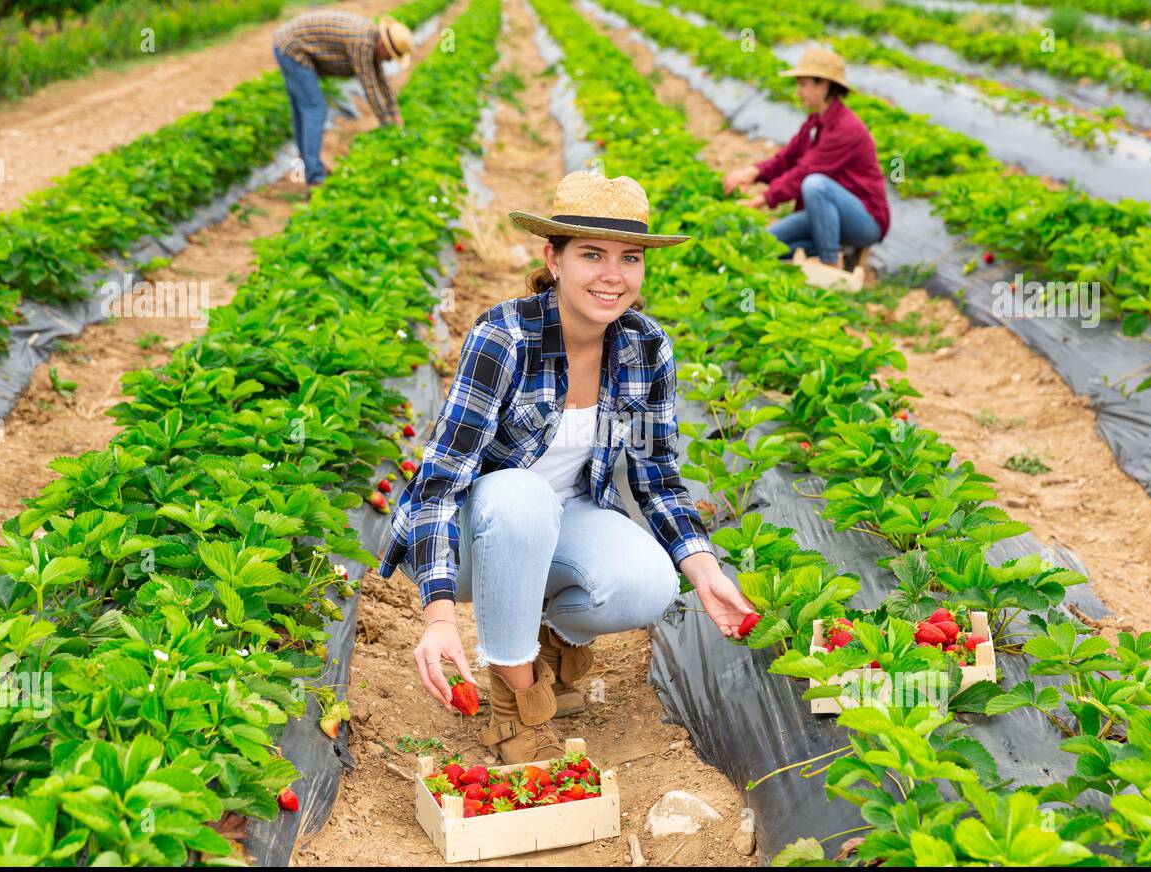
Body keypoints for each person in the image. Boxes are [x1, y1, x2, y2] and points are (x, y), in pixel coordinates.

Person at [377, 170, 756, 763]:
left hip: (564, 518)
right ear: (552, 257)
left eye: (629, 257)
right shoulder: (504, 337)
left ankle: (554, 640)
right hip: (478, 533)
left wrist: (704, 571)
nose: (613, 275)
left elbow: (656, 475)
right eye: (592, 254)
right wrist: (440, 615)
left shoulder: (646, 346)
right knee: (523, 498)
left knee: (650, 584)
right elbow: (441, 481)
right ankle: (514, 700)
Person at [723, 48, 890, 267]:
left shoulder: (846, 128)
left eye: (803, 84)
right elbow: (787, 157)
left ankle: (830, 262)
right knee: (768, 245)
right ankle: (842, 248)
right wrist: (754, 172)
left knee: (815, 184)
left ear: (824, 84)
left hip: (865, 220)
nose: (798, 91)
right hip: (825, 214)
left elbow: (806, 172)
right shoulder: (815, 122)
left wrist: (763, 199)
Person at [271, 12, 412, 186]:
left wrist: (395, 112)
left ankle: (311, 166)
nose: (389, 61)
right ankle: (314, 175)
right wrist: (386, 123)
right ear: (383, 45)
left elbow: (381, 80)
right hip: (292, 49)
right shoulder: (361, 42)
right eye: (390, 56)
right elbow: (370, 86)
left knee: (303, 111)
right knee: (315, 110)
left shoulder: (371, 39)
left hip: (291, 44)